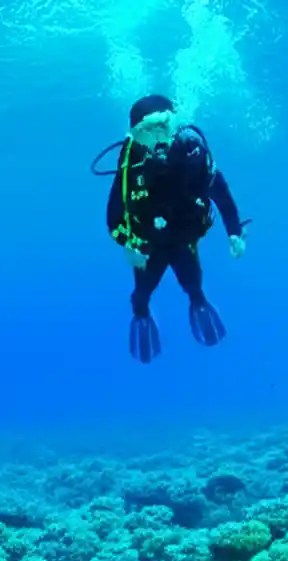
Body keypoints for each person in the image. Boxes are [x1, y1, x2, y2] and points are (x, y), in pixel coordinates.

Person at [100, 94, 248, 363]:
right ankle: (142, 316)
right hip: (146, 245)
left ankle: (198, 302)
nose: (156, 137)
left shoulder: (194, 155)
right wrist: (127, 245)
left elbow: (222, 196)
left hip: (183, 239)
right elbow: (113, 217)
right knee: (142, 294)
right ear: (134, 134)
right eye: (146, 131)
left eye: (162, 126)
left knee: (192, 284)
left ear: (175, 124)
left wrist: (234, 232)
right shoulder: (131, 165)